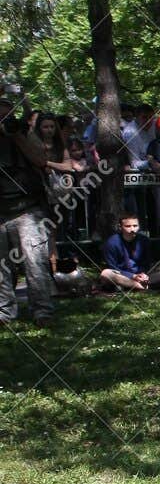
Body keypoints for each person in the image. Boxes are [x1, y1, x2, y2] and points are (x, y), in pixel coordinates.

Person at [0, 96, 56, 327]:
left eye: (7, 115)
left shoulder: (23, 132)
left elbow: (41, 159)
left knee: (35, 262)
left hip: (28, 209)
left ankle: (42, 311)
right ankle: (4, 312)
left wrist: (17, 134)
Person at [100, 214, 160, 291]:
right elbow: (113, 267)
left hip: (143, 275)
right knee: (106, 273)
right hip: (123, 276)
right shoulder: (111, 243)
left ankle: (131, 286)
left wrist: (143, 275)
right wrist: (133, 276)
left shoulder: (144, 240)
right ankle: (143, 286)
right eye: (128, 226)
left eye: (135, 226)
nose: (132, 229)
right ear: (120, 227)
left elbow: (147, 262)